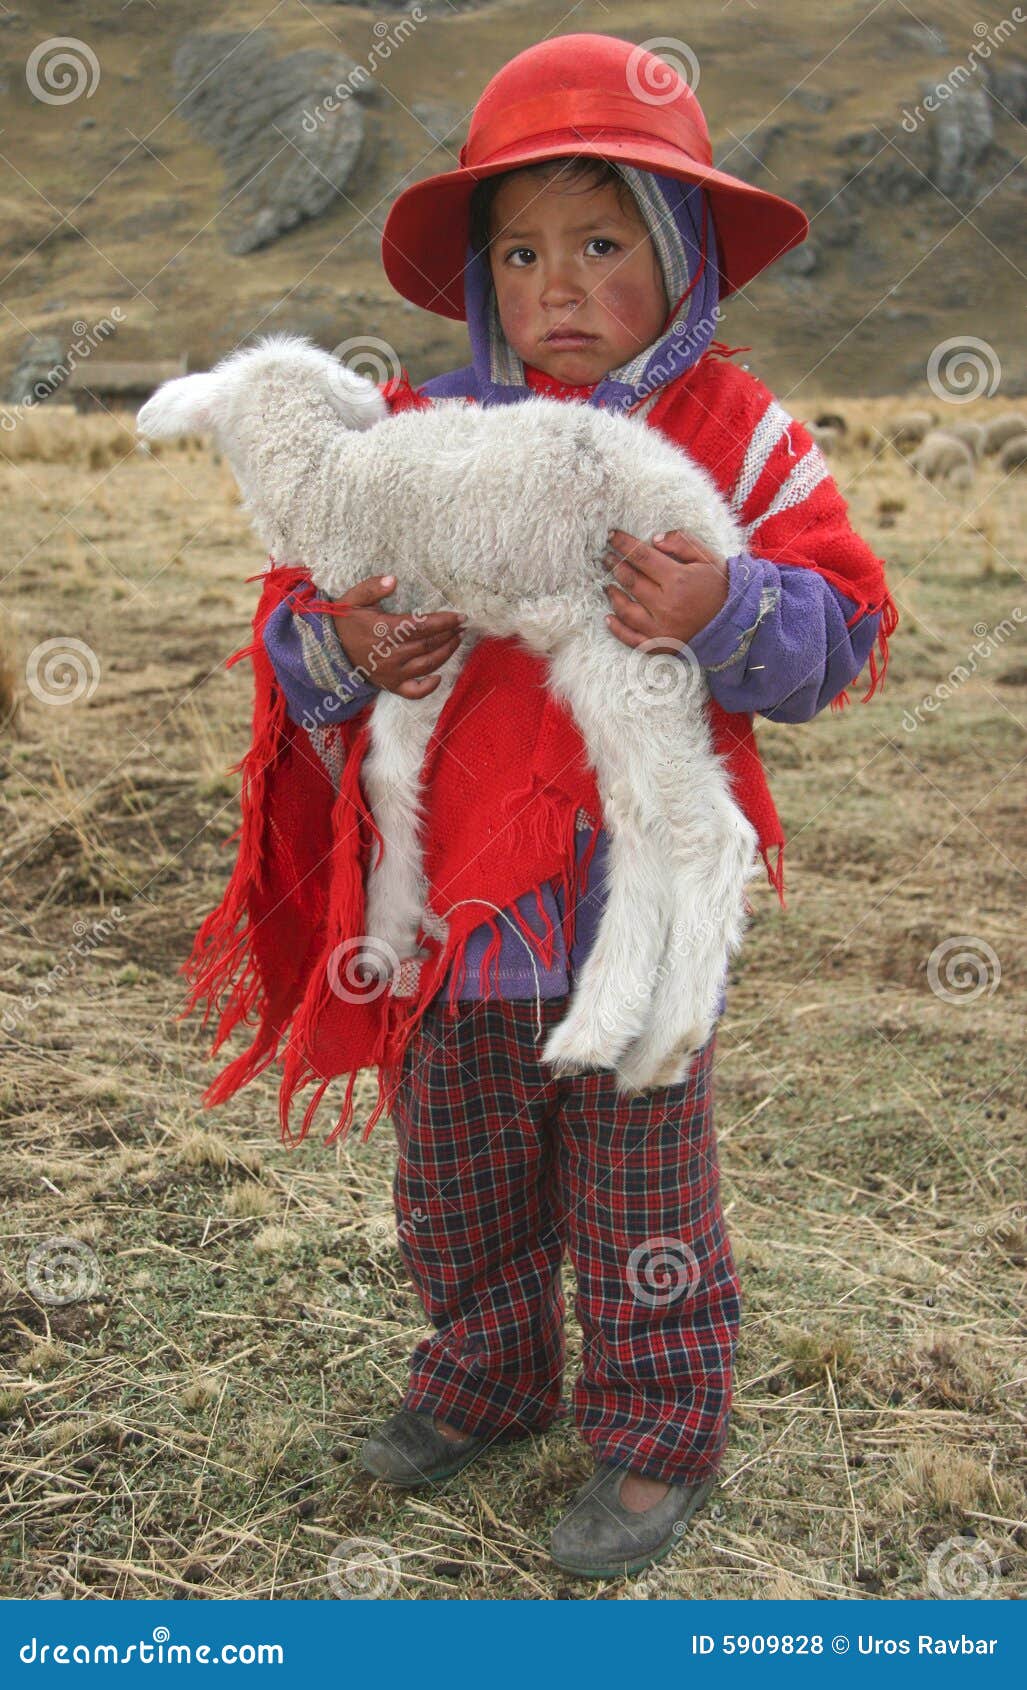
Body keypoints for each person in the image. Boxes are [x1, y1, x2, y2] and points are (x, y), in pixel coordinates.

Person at [199, 34, 897, 1581]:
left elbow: (842, 629)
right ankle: (491, 1373)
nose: (558, 285)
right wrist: (352, 641)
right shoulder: (417, 432)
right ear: (477, 276)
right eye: (521, 251)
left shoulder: (738, 433)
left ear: (685, 259)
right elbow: (297, 620)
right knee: (458, 1179)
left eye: (602, 244)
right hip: (460, 906)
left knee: (641, 1185)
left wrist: (727, 605)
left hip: (631, 909)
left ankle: (654, 1434)